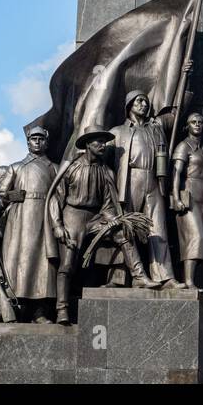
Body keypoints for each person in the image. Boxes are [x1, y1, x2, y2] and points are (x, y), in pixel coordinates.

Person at [47, 126, 160, 325]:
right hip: (72, 215)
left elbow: (108, 202)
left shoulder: (106, 171)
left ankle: (139, 276)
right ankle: (62, 309)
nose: (103, 146)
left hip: (95, 217)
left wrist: (112, 218)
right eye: (98, 142)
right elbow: (56, 198)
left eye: (104, 142)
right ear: (88, 145)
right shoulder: (72, 167)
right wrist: (57, 225)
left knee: (123, 233)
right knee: (67, 264)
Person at [107, 87, 187, 286]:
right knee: (125, 229)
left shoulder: (156, 127)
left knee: (158, 229)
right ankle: (119, 278)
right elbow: (101, 158)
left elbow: (176, 112)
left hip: (153, 180)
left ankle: (165, 276)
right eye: (139, 101)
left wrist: (184, 76)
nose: (144, 104)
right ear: (129, 106)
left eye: (145, 101)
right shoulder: (117, 132)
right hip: (129, 180)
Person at [0, 125, 59, 322]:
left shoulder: (54, 168)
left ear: (46, 142)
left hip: (44, 219)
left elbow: (60, 197)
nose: (37, 142)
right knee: (14, 264)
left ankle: (40, 312)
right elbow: (1, 196)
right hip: (20, 222)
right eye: (34, 139)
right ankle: (4, 308)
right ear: (27, 142)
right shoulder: (16, 167)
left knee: (43, 266)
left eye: (41, 139)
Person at [170, 111, 203, 289]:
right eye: (193, 122)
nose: (197, 124)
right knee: (195, 237)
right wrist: (176, 197)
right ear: (187, 126)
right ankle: (188, 281)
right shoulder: (183, 146)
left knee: (199, 239)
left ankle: (190, 279)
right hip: (189, 197)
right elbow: (176, 174)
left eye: (200, 122)